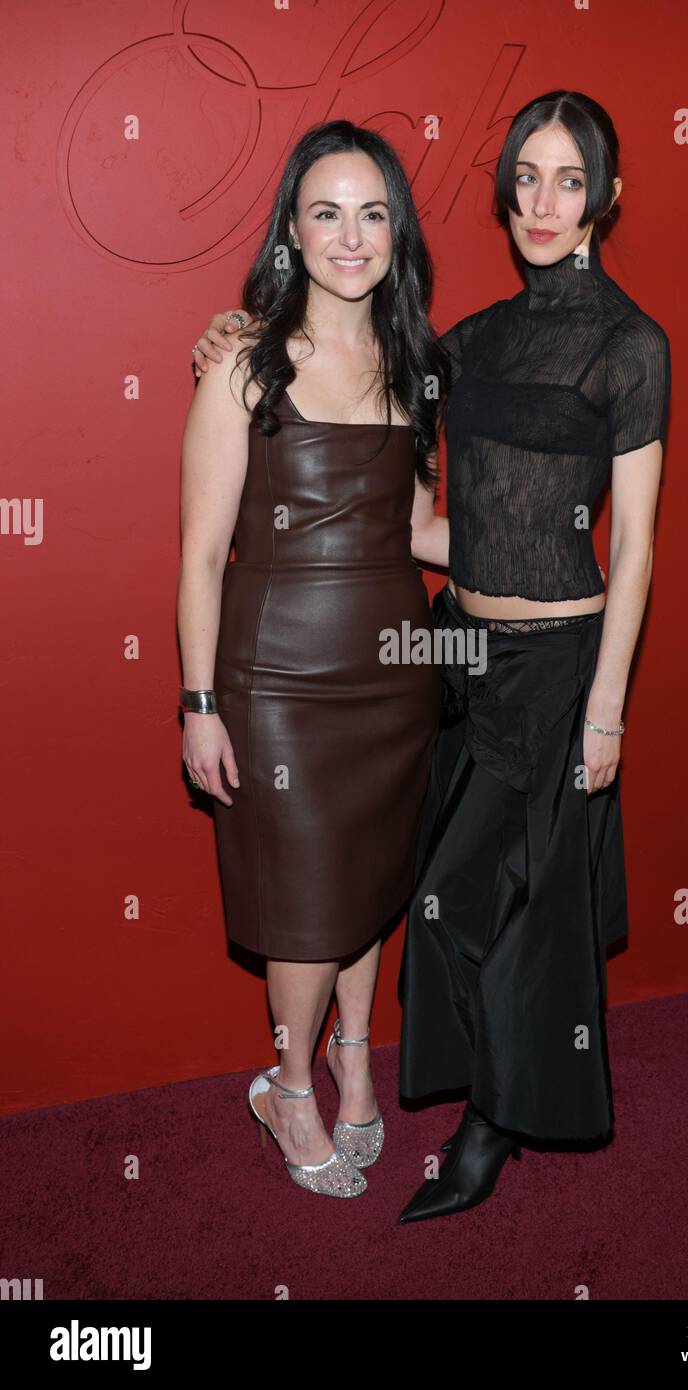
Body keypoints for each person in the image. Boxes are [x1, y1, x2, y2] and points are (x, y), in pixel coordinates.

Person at [192, 90, 672, 1223]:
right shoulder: (456, 349)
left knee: (528, 915)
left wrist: (605, 707)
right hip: (452, 648)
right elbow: (414, 522)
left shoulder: (632, 344)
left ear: (605, 195)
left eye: (567, 180)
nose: (542, 202)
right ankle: (364, 1077)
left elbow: (638, 542)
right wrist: (228, 334)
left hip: (561, 664)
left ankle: (485, 1131)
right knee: (437, 897)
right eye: (524, 179)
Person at [178, 120, 448, 1200]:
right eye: (325, 210)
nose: (351, 234)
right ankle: (285, 1083)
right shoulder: (243, 358)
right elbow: (201, 552)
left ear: (397, 230)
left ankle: (351, 1060)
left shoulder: (419, 364)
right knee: (308, 896)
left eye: (372, 211)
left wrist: (532, 556)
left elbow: (419, 526)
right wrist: (198, 703)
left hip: (393, 668)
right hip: (276, 675)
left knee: (370, 880)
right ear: (292, 229)